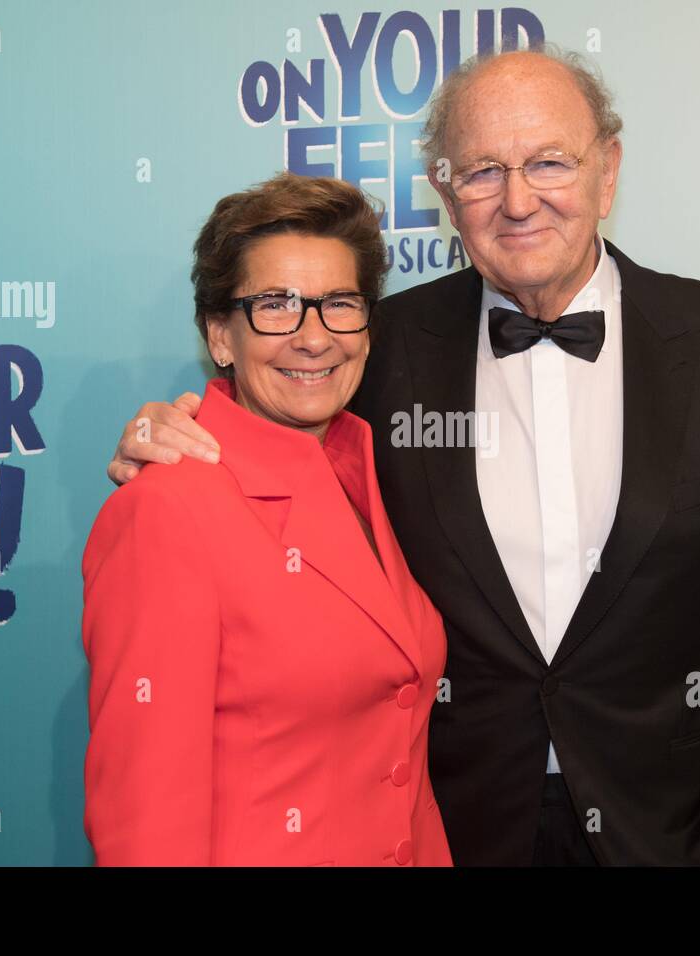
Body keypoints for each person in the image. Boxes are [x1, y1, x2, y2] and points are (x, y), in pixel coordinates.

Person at [106, 46, 700, 866]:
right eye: (483, 171)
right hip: (454, 830)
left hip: (688, 829)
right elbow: (263, 424)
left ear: (609, 171)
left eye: (549, 162)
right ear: (447, 194)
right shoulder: (372, 350)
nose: (519, 201)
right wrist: (161, 434)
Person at [81, 172, 452, 866]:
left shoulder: (372, 475)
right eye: (275, 305)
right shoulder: (165, 511)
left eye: (339, 303)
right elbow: (146, 828)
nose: (313, 338)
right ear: (219, 334)